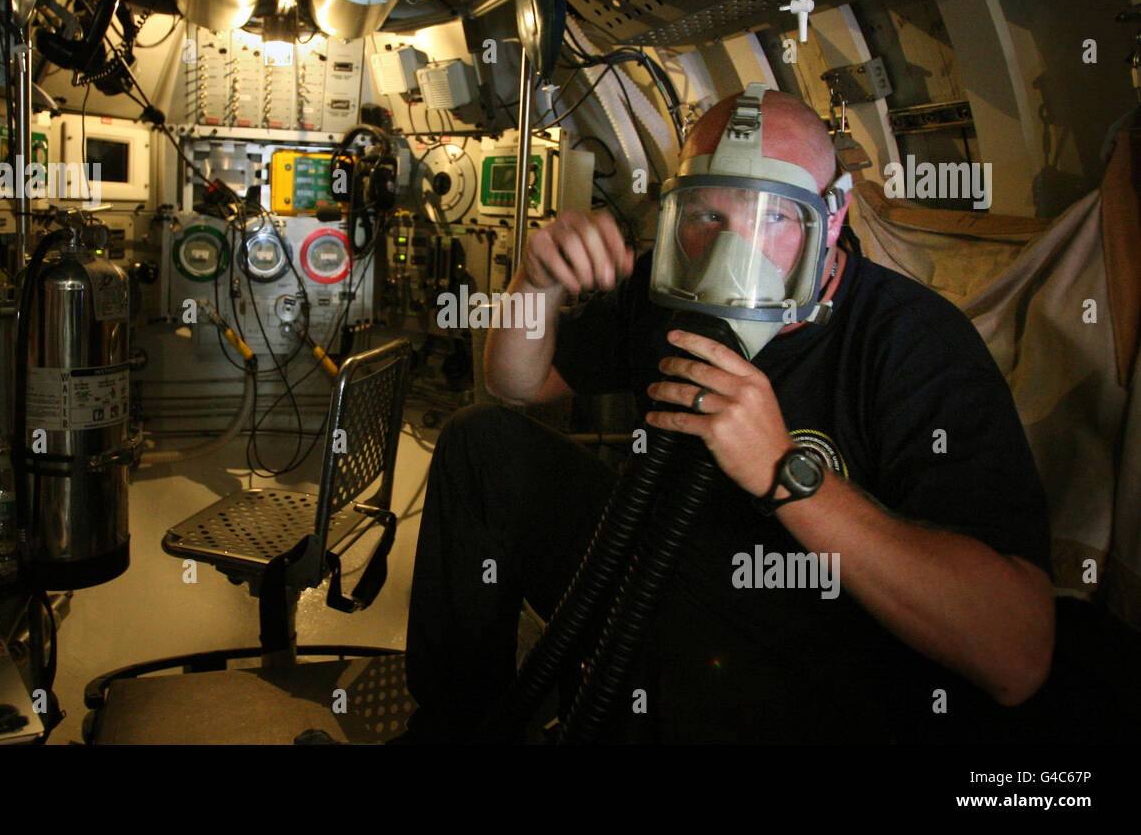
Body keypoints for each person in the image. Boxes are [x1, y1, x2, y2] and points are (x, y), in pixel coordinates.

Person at [402, 87, 1054, 743]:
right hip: (653, 563)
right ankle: (454, 729)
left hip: (795, 642)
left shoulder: (913, 346)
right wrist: (534, 284)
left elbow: (1015, 656)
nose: (727, 261)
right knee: (480, 445)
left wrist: (786, 474)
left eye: (773, 218)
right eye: (706, 216)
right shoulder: (667, 290)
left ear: (832, 218)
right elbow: (517, 383)